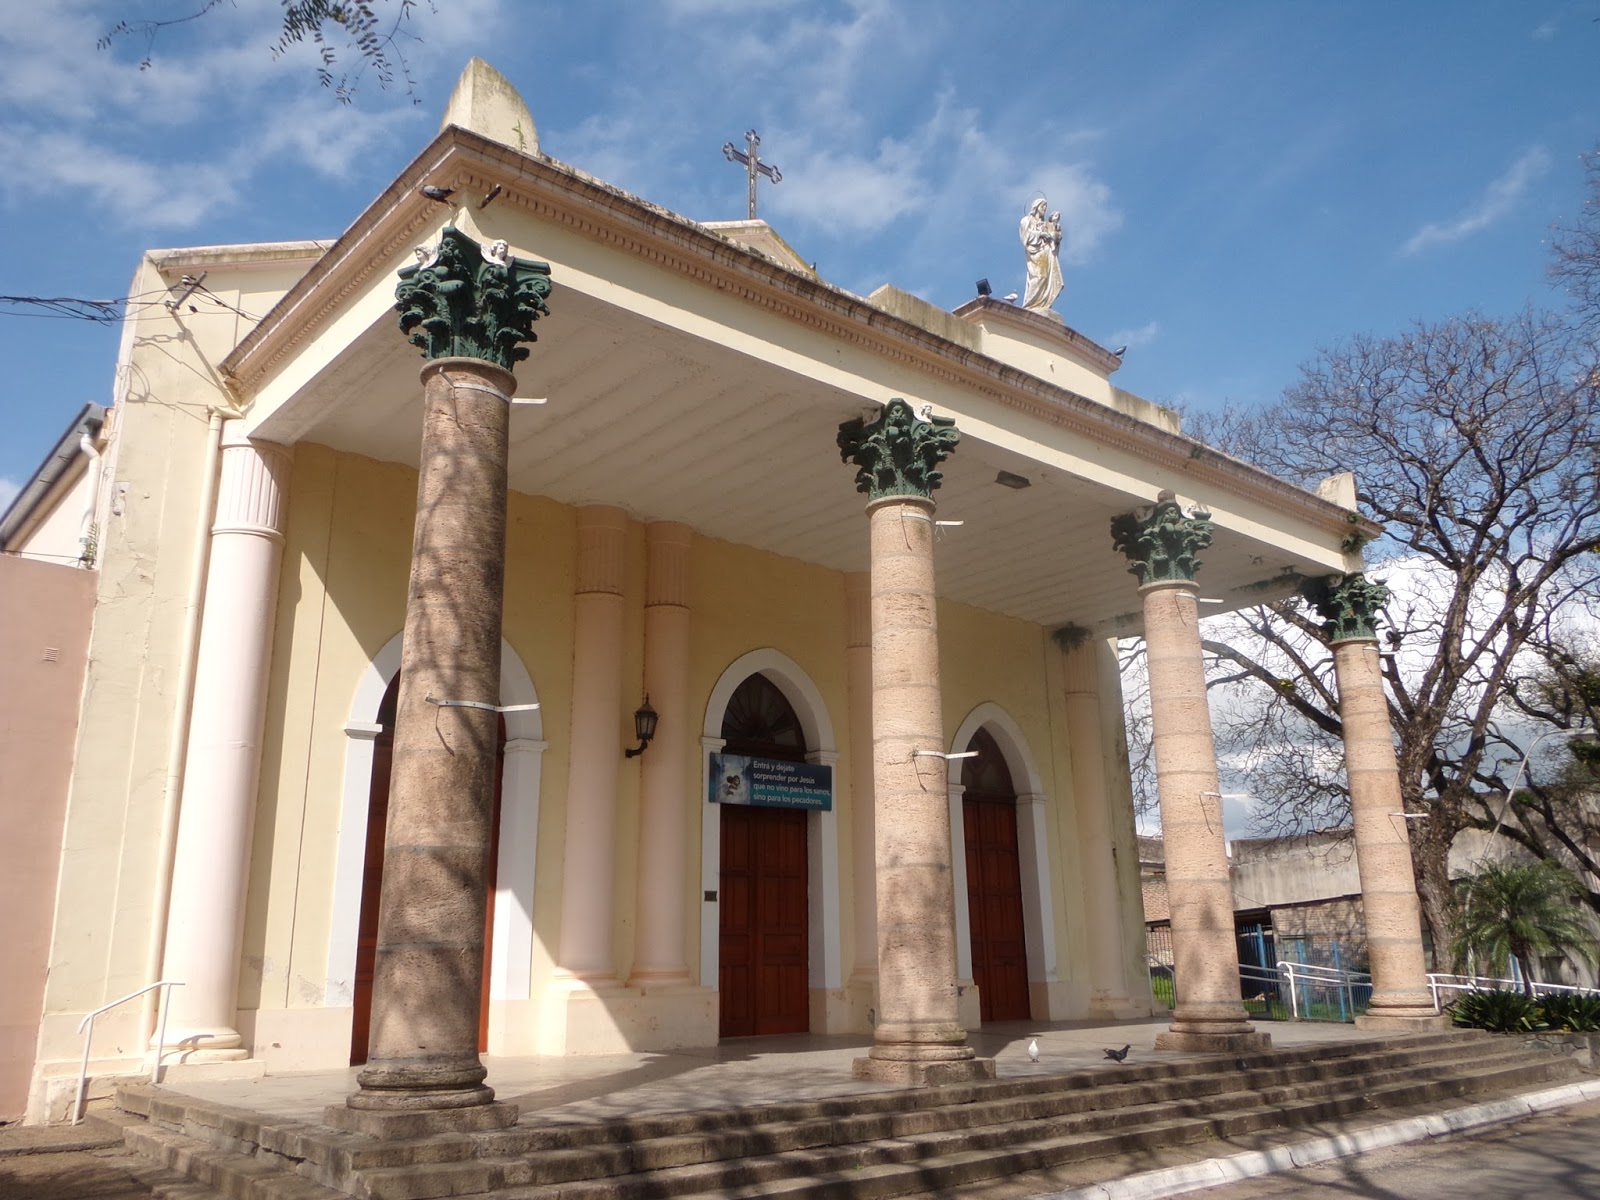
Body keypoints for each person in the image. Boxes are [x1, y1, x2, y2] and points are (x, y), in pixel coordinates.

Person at [1019, 198, 1064, 311]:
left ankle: (1044, 303)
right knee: (1039, 276)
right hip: (1036, 254)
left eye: (1045, 207)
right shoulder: (1026, 220)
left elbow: (1055, 240)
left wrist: (1056, 232)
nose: (1044, 209)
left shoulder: (1046, 224)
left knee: (1048, 277)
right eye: (1042, 206)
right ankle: (1030, 304)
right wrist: (1041, 234)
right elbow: (1026, 236)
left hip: (1047, 252)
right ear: (1036, 207)